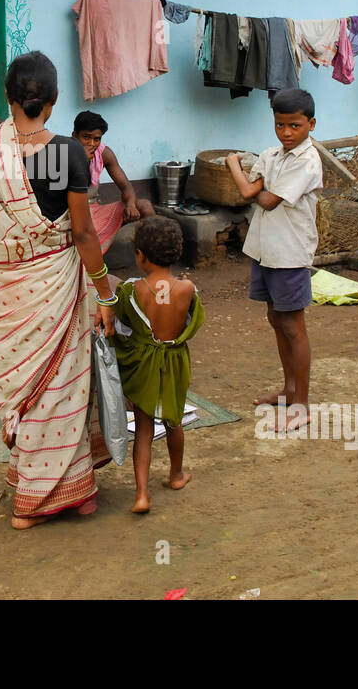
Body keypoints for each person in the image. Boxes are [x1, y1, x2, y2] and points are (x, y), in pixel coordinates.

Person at [0, 50, 116, 530]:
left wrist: (8, 248)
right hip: (56, 282)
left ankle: (72, 486)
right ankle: (38, 501)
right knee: (62, 383)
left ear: (7, 96)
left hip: (6, 287)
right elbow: (83, 234)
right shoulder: (68, 152)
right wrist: (105, 294)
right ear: (55, 99)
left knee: (35, 386)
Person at [224, 88, 323, 432]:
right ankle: (289, 389)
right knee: (276, 319)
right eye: (280, 125)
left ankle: (302, 404)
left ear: (311, 124)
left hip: (290, 253)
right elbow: (250, 191)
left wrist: (234, 165)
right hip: (265, 249)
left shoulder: (308, 161)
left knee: (294, 326)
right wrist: (239, 169)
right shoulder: (272, 154)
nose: (286, 132)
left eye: (294, 126)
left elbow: (264, 200)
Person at [109, 217, 204, 513]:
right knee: (174, 421)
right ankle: (176, 475)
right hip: (174, 364)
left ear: (140, 255)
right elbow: (193, 320)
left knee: (144, 429)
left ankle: (141, 495)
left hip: (144, 367)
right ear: (177, 253)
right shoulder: (187, 289)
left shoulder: (131, 290)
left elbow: (122, 325)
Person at [72, 110, 155, 251]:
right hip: (72, 214)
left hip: (95, 210)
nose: (91, 143)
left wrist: (130, 205)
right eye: (86, 137)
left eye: (97, 139)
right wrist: (80, 160)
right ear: (75, 136)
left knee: (145, 206)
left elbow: (125, 185)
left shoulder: (104, 153)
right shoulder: (63, 151)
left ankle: (155, 258)